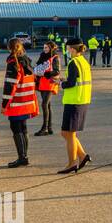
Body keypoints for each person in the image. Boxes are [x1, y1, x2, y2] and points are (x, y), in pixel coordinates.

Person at [57, 37, 93, 174]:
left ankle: (72, 163)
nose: (66, 51)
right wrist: (64, 80)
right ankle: (83, 156)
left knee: (69, 133)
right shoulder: (83, 62)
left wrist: (60, 83)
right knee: (66, 132)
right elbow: (77, 80)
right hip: (82, 100)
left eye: (67, 49)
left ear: (72, 49)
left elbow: (71, 83)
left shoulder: (73, 63)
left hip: (74, 101)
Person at [2, 38, 39, 168]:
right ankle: (24, 155)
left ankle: (22, 157)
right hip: (27, 101)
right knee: (23, 128)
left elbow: (10, 85)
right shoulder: (26, 60)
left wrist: (4, 104)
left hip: (17, 102)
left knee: (16, 128)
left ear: (9, 48)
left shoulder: (13, 62)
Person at [33, 40, 62, 136]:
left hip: (50, 82)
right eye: (44, 47)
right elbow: (38, 67)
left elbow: (57, 71)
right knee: (48, 105)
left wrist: (46, 73)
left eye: (46, 48)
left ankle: (44, 128)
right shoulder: (42, 56)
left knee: (44, 104)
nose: (44, 49)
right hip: (42, 82)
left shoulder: (55, 57)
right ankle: (49, 128)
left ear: (51, 48)